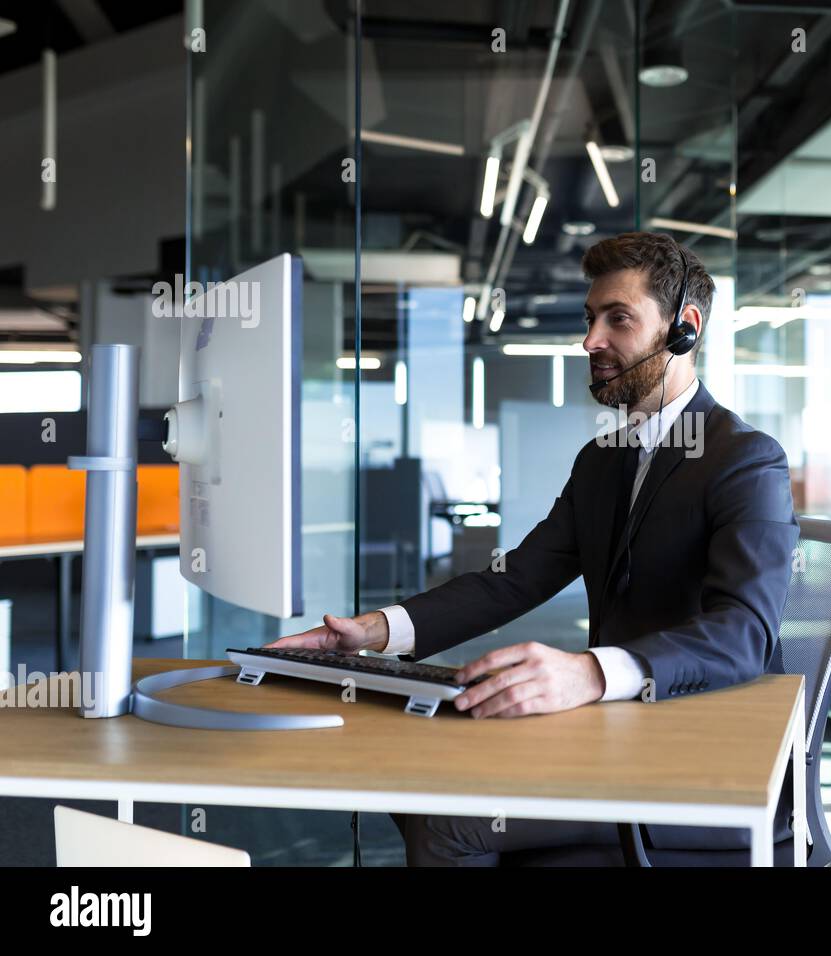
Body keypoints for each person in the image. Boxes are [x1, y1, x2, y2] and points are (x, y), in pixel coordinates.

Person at [270, 231, 799, 865]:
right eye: (590, 318)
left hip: (704, 758)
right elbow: (513, 579)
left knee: (447, 824)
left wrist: (590, 670)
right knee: (408, 774)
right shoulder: (602, 462)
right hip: (615, 731)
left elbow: (743, 633)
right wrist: (375, 631)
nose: (590, 341)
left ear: (685, 327)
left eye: (618, 319)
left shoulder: (745, 460)